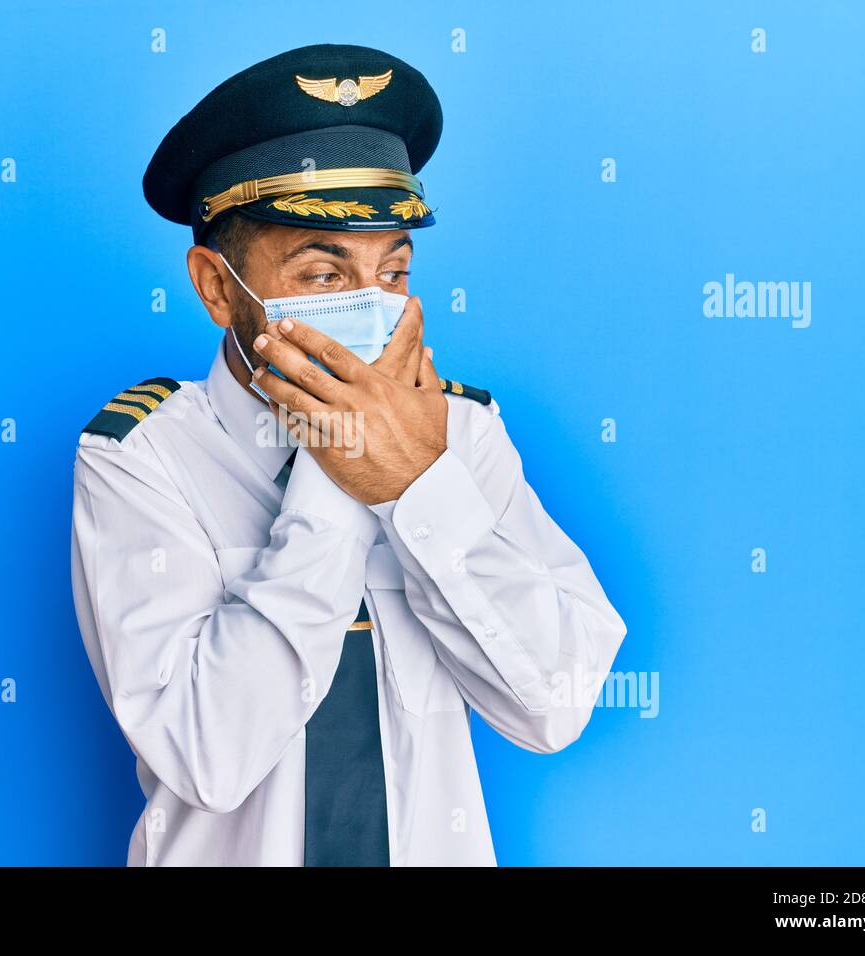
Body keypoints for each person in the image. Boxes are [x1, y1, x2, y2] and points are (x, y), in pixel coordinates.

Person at [70, 43, 627, 866]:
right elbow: (205, 754)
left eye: (392, 271)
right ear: (218, 288)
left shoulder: (461, 433)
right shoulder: (141, 457)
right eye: (324, 274)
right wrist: (343, 472)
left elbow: (550, 705)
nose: (371, 305)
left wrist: (419, 485)